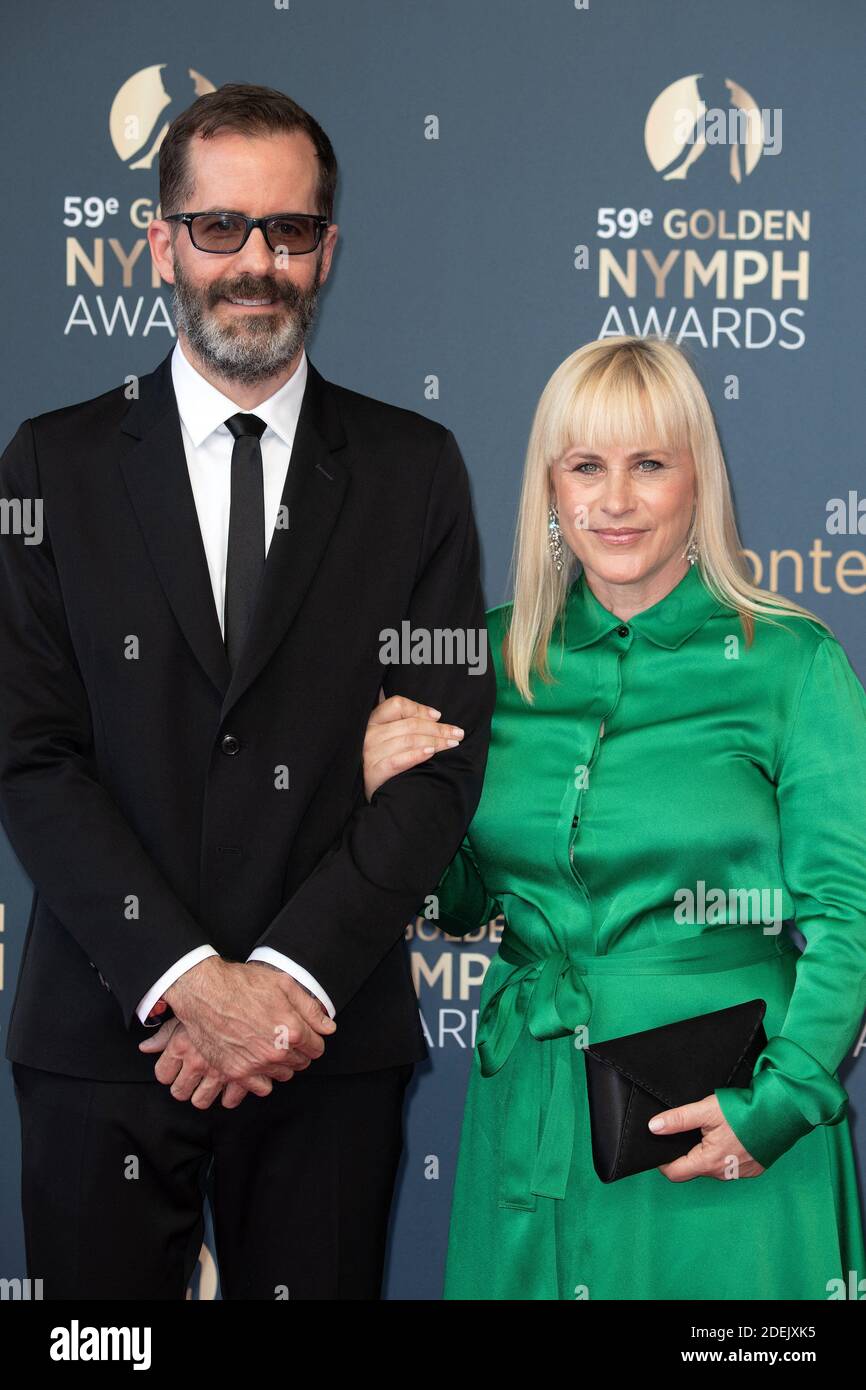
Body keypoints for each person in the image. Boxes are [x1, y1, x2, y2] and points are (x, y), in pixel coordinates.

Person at [0, 82, 494, 1300]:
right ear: (161, 242)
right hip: (108, 1034)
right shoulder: (48, 464)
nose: (254, 262)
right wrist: (190, 982)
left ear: (328, 251)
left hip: (323, 1042)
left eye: (286, 230)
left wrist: (284, 986)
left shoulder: (413, 471)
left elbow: (440, 768)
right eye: (220, 227)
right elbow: (30, 753)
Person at [362, 334, 866, 1300]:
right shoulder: (494, 658)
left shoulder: (790, 663)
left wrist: (781, 1104)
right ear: (551, 488)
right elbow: (464, 905)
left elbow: (850, 914)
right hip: (534, 1111)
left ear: (698, 481)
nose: (616, 500)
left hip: (725, 1126)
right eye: (586, 465)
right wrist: (395, 799)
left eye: (649, 465)